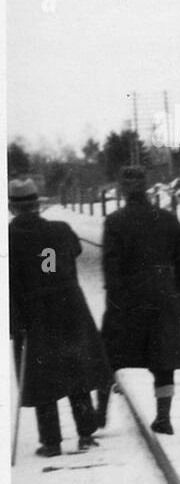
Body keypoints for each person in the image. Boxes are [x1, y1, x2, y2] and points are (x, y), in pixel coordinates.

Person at [8, 178, 111, 456]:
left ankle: (51, 442)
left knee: (43, 375)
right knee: (75, 367)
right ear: (37, 204)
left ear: (12, 207)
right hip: (69, 307)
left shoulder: (10, 236)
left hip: (35, 312)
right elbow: (72, 251)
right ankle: (86, 433)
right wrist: (50, 258)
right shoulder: (60, 229)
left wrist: (15, 323)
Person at [101, 167, 180, 434]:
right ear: (147, 187)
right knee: (164, 360)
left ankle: (98, 414)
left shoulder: (114, 221)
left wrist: (114, 301)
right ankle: (164, 418)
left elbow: (111, 266)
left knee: (108, 354)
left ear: (122, 189)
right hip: (164, 296)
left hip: (128, 298)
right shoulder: (168, 219)